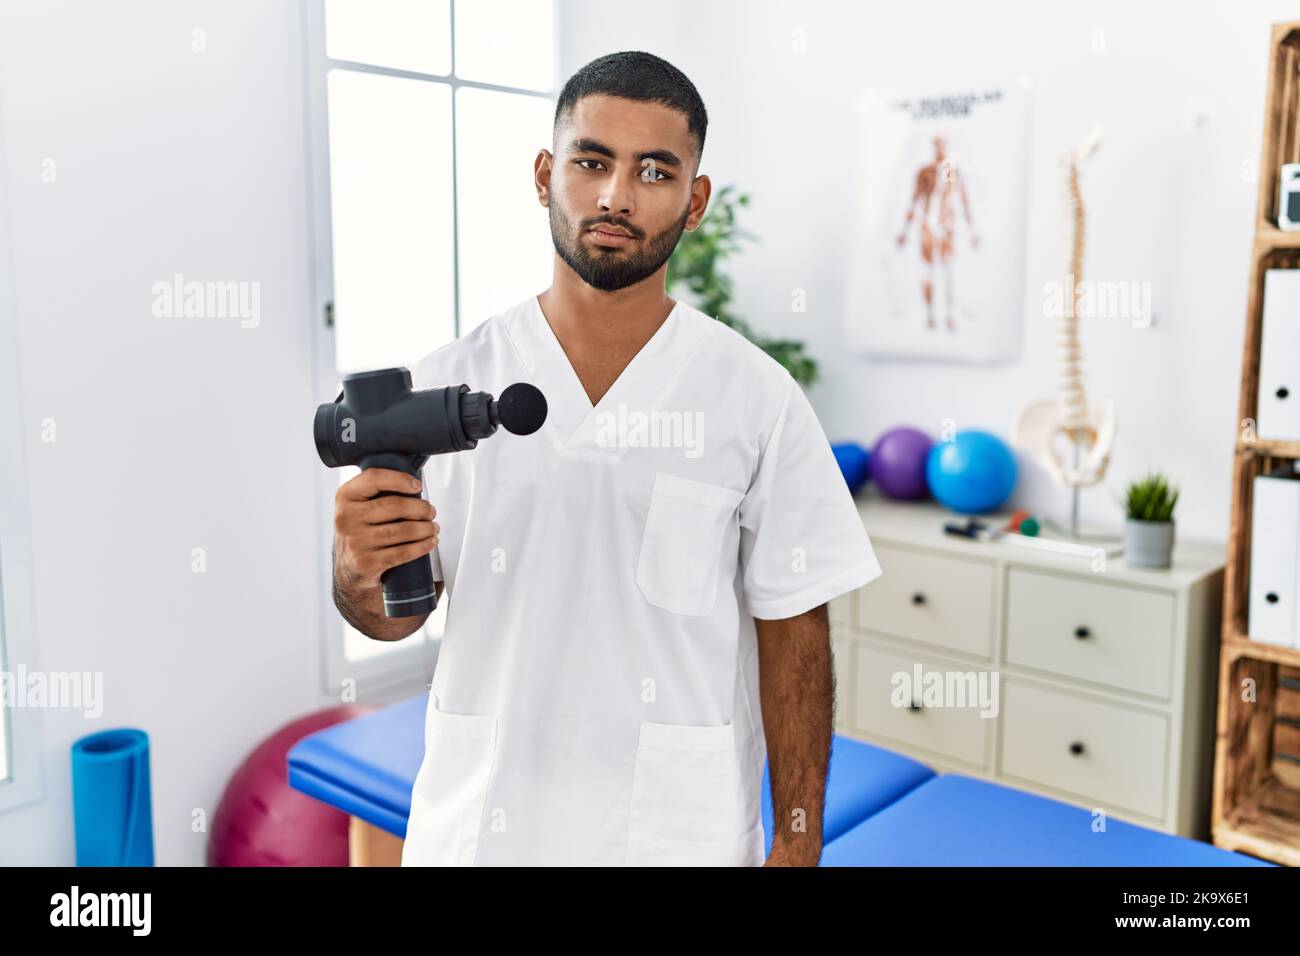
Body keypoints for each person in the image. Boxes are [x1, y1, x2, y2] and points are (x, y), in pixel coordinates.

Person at [331, 51, 882, 866]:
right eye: (592, 161)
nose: (616, 195)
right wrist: (354, 573)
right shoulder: (445, 386)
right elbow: (393, 616)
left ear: (694, 201)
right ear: (547, 173)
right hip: (484, 825)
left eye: (655, 170)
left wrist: (799, 844)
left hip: (673, 834)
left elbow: (795, 627)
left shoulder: (755, 399)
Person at [895, 135, 979, 332]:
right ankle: (930, 314)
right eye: (938, 146)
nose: (941, 150)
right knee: (928, 270)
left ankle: (949, 314)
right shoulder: (925, 172)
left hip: (946, 226)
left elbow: (964, 201)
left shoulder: (952, 171)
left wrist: (972, 231)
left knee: (948, 269)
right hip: (927, 226)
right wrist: (904, 231)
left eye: (944, 146)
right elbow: (914, 201)